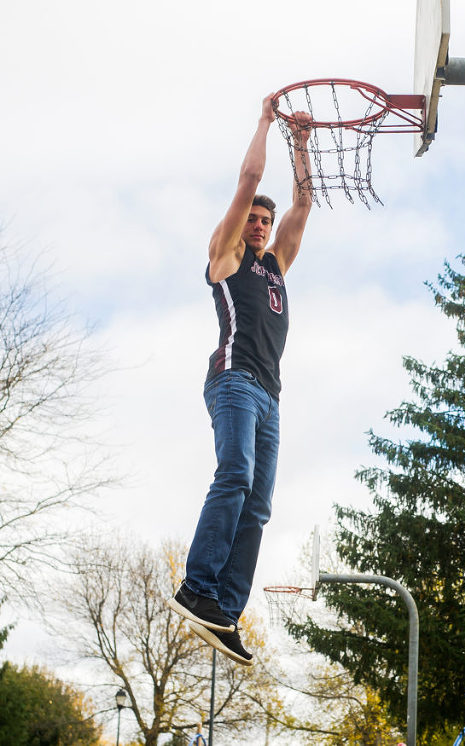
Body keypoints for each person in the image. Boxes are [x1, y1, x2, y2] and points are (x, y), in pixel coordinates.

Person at [168, 93, 312, 665]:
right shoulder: (225, 257)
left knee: (258, 506)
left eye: (264, 220)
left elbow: (303, 204)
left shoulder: (277, 264)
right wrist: (267, 122)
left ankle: (223, 611)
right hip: (234, 382)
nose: (258, 224)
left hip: (270, 398)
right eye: (252, 217)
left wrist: (302, 143)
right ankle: (196, 586)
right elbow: (250, 178)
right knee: (235, 475)